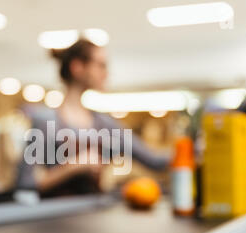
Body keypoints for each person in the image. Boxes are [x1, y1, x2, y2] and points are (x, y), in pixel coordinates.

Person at [15, 39, 169, 200]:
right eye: (101, 65)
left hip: (94, 213)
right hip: (56, 217)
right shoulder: (45, 121)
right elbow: (25, 183)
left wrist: (191, 149)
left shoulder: (105, 123)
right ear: (77, 67)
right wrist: (74, 166)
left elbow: (155, 161)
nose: (106, 73)